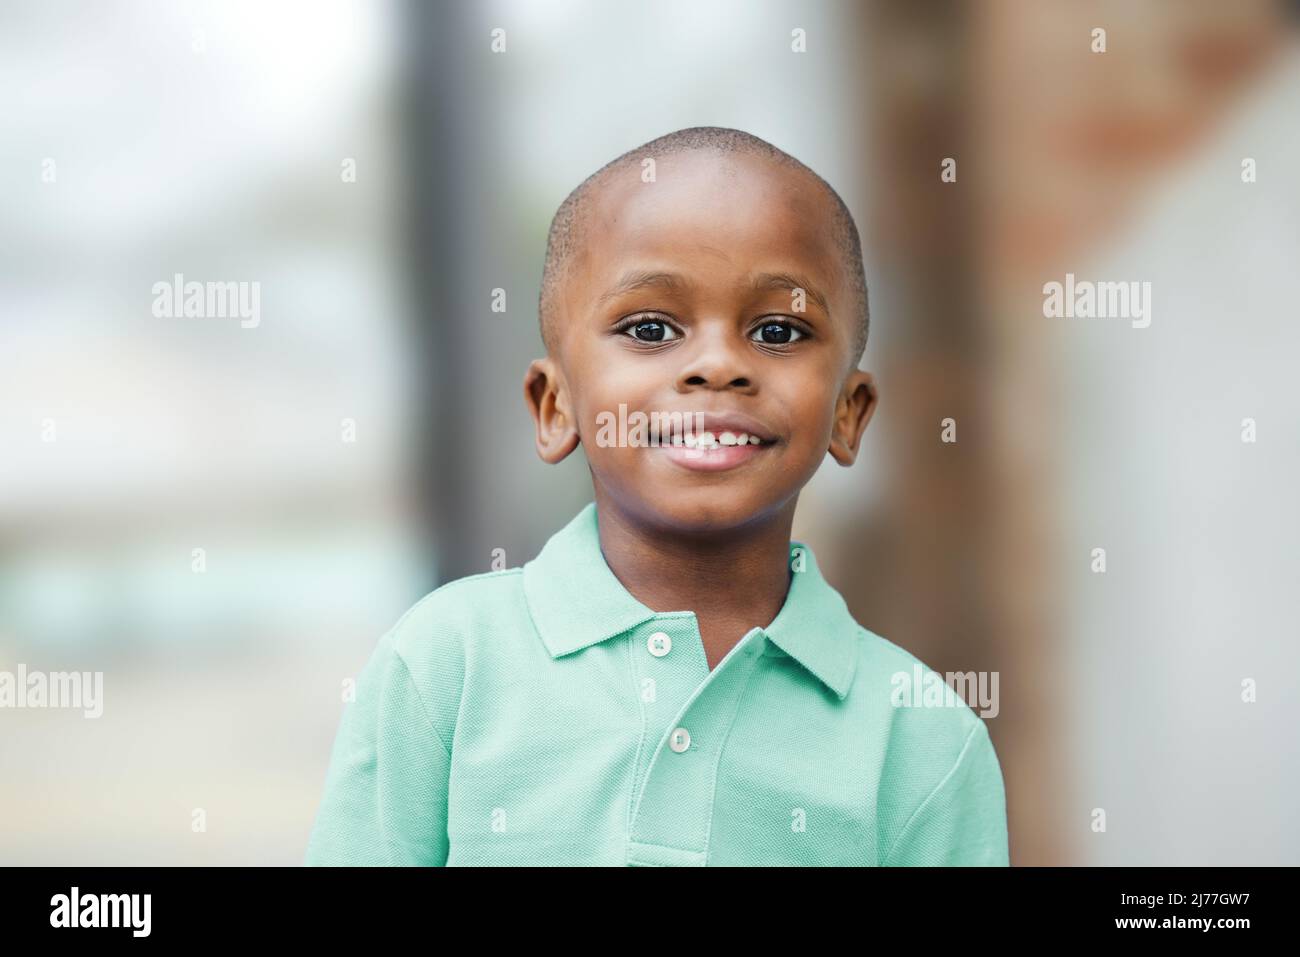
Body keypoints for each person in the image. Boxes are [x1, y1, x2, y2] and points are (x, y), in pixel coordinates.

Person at [305, 127, 1009, 866]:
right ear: (555, 404)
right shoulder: (446, 666)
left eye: (777, 329)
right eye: (650, 327)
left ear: (847, 412)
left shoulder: (921, 734)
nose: (717, 364)